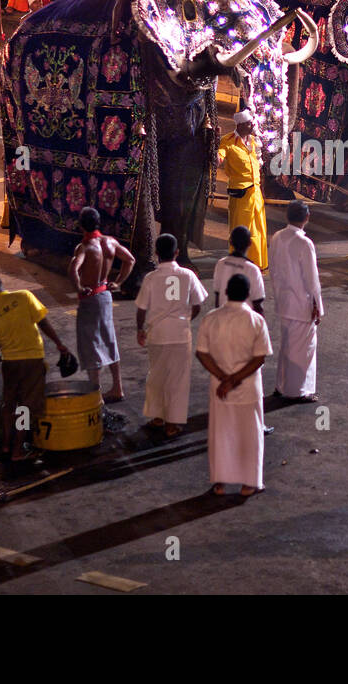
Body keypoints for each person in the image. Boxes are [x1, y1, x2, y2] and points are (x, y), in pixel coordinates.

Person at [0, 271, 70, 464]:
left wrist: (5, 342)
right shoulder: (24, 296)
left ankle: (6, 445)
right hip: (32, 360)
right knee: (26, 407)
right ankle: (18, 449)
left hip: (10, 363)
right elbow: (43, 322)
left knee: (9, 405)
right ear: (0, 285)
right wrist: (59, 343)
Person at [195, 272, 272, 496]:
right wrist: (234, 380)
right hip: (247, 388)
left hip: (219, 389)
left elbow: (202, 354)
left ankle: (220, 483)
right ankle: (249, 484)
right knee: (250, 435)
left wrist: (223, 378)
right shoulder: (256, 321)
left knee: (222, 434)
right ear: (248, 295)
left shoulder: (211, 318)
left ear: (227, 292)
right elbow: (260, 358)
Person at [135, 233, 208, 437]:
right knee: (178, 379)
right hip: (180, 333)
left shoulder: (150, 278)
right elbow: (197, 304)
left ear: (156, 253)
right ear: (177, 252)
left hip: (157, 334)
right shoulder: (187, 275)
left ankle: (158, 417)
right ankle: (172, 424)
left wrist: (140, 329)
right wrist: (185, 319)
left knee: (156, 375)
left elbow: (141, 308)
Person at [68, 207, 134, 403]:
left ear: (81, 225)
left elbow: (74, 267)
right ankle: (117, 387)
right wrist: (118, 282)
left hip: (90, 298)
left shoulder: (85, 247)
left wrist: (79, 286)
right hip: (105, 294)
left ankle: (96, 394)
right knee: (109, 339)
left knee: (90, 344)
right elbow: (130, 260)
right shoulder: (110, 242)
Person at [268, 200, 323, 403]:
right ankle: (299, 390)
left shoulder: (277, 237)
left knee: (287, 345)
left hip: (283, 300)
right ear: (306, 218)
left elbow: (272, 268)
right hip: (301, 303)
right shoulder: (305, 243)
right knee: (304, 348)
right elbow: (312, 279)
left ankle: (281, 386)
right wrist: (318, 306)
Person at [217, 110, 268, 268]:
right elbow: (219, 158)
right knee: (241, 230)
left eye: (252, 122)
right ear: (239, 125)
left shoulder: (253, 141)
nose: (252, 125)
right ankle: (238, 263)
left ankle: (257, 264)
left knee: (258, 229)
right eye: (248, 123)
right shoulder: (228, 141)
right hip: (241, 194)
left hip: (256, 193)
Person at [213, 226, 266, 315]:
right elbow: (258, 303)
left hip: (224, 318)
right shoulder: (252, 269)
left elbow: (217, 296)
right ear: (250, 243)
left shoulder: (221, 264)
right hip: (245, 321)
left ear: (230, 242)